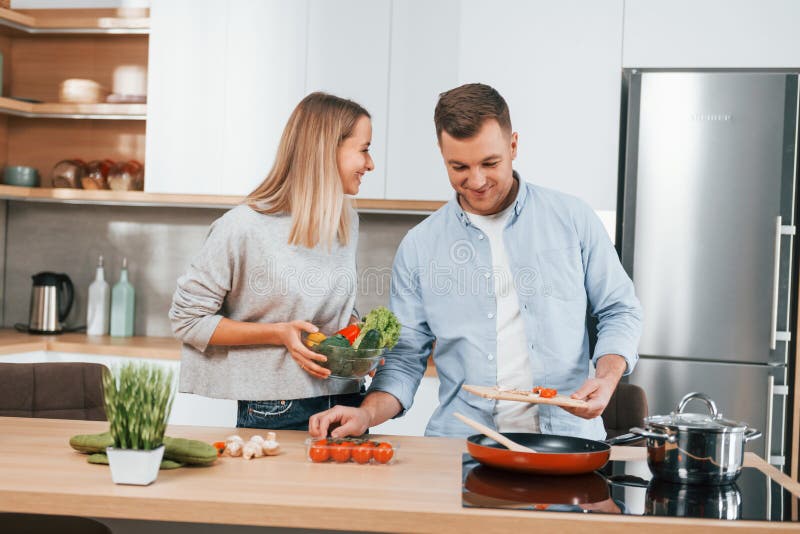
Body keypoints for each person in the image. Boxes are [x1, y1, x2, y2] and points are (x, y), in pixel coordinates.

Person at [310, 83, 642, 440]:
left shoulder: (573, 219)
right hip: (460, 450)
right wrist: (365, 415)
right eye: (459, 166)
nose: (477, 180)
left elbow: (619, 309)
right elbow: (405, 359)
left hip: (567, 443)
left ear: (513, 145)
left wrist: (607, 378)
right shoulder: (420, 246)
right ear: (441, 153)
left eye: (490, 163)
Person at [169, 92, 375, 430]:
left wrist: (358, 343)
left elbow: (329, 311)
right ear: (326, 150)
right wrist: (279, 333)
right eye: (364, 149)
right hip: (277, 407)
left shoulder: (344, 220)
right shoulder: (242, 227)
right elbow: (187, 320)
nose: (370, 164)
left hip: (347, 400)